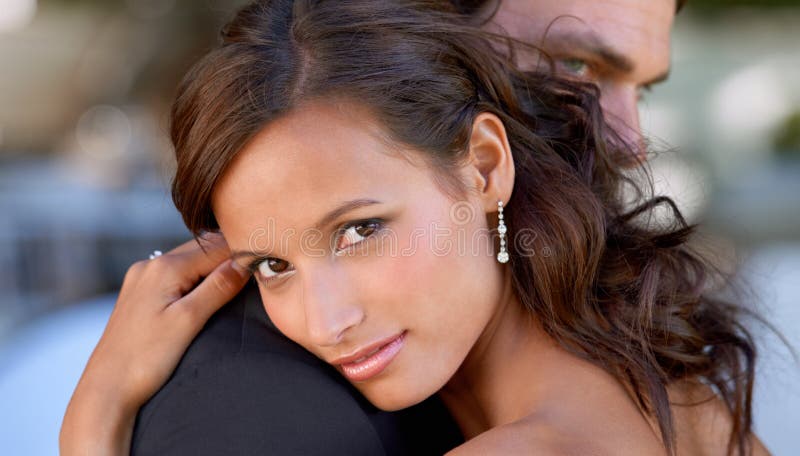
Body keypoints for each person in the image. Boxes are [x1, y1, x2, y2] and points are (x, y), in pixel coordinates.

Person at [61, 0, 770, 455]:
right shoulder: (677, 390)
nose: (327, 320)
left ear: (485, 167)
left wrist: (92, 422)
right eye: (273, 265)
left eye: (360, 230)